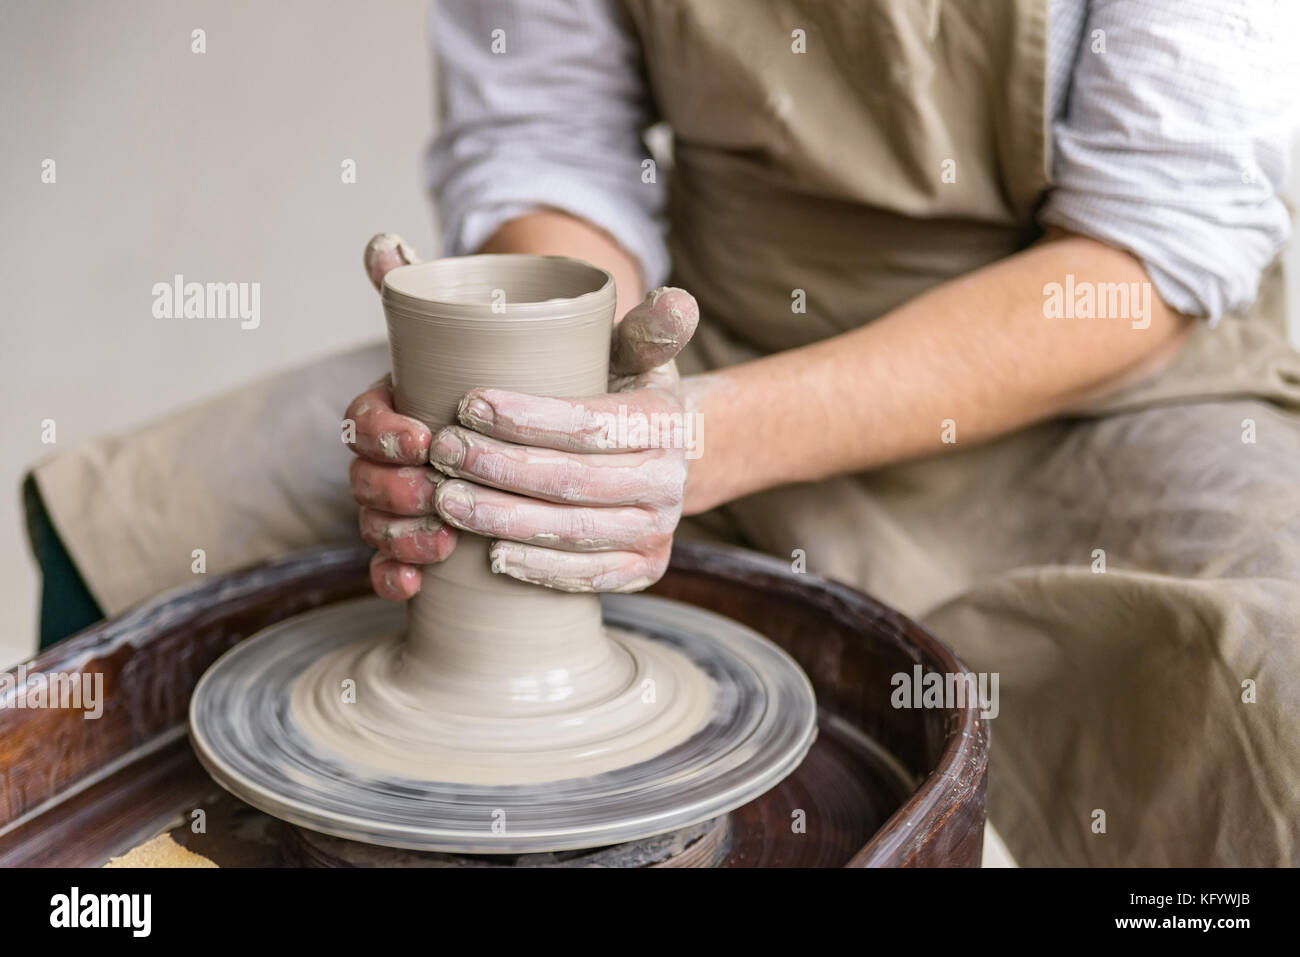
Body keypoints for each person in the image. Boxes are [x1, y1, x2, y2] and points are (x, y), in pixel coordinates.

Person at [27, 1, 1300, 866]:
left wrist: (696, 448)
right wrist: (557, 395)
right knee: (138, 522)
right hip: (703, 331)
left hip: (1100, 376)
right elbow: (547, 146)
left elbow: (1146, 254)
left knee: (1261, 689)